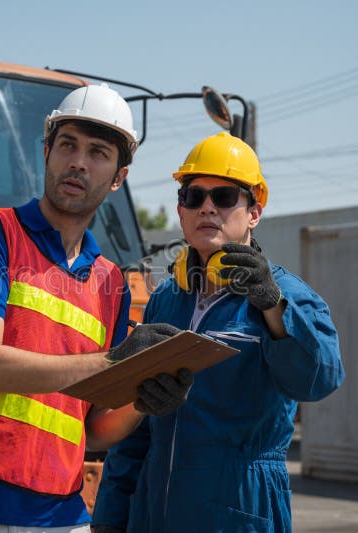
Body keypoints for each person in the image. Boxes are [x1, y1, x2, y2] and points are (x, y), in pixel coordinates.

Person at [0, 84, 192, 532]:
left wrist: (145, 396)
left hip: (59, 513)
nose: (78, 162)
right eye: (68, 145)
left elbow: (92, 428)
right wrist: (114, 361)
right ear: (47, 152)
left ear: (118, 177)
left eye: (98, 152)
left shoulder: (111, 281)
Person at [91, 132, 345, 532]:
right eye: (194, 196)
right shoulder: (166, 299)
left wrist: (272, 308)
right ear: (181, 210)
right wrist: (110, 515)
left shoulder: (289, 296)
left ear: (254, 212)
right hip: (153, 511)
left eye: (224, 196)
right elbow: (136, 430)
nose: (207, 207)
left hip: (239, 506)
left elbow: (319, 380)